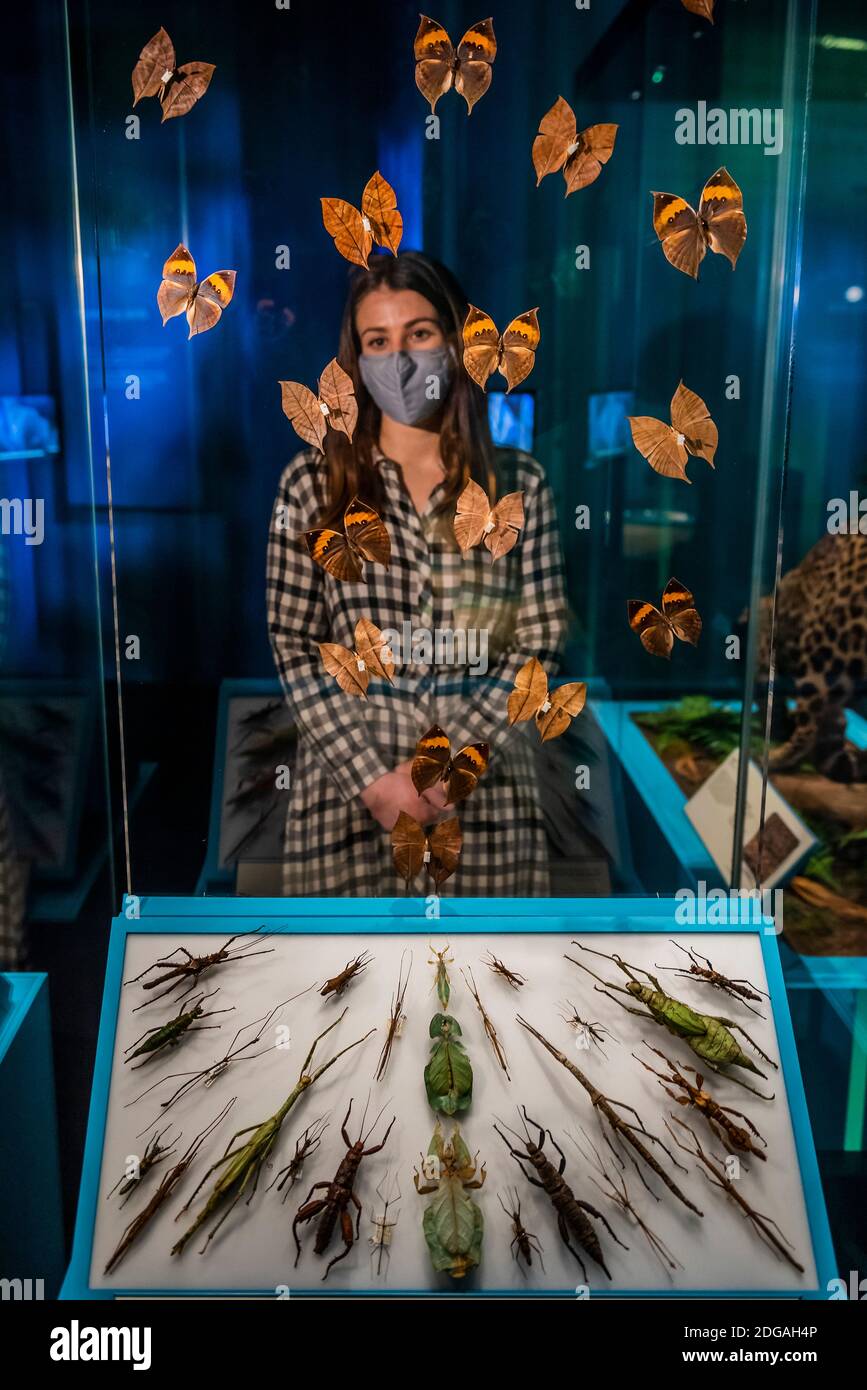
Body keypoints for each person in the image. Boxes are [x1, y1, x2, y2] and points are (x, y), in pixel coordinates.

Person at [266, 250, 568, 895]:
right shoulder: (312, 483)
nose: (400, 359)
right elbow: (295, 644)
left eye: (420, 334)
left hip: (485, 806)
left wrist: (457, 769)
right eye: (378, 341)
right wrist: (376, 782)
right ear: (356, 360)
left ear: (456, 342)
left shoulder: (520, 484)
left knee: (492, 991)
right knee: (346, 992)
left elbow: (537, 644)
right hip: (351, 803)